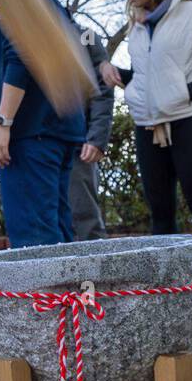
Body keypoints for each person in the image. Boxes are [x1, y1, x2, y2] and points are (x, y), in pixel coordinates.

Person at [99, 0, 192, 328]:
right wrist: (114, 71)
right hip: (147, 127)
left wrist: (181, 95)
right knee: (161, 216)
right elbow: (145, 75)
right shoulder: (137, 26)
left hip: (190, 123)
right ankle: (168, 298)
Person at [0, 0, 86, 248]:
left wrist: (3, 122)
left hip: (31, 133)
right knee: (53, 233)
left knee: (34, 240)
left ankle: (46, 303)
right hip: (51, 131)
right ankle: (67, 302)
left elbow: (22, 55)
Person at [70, 30, 114, 241]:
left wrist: (96, 137)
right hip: (33, 144)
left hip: (77, 142)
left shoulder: (85, 36)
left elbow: (102, 87)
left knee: (85, 218)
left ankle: (99, 273)